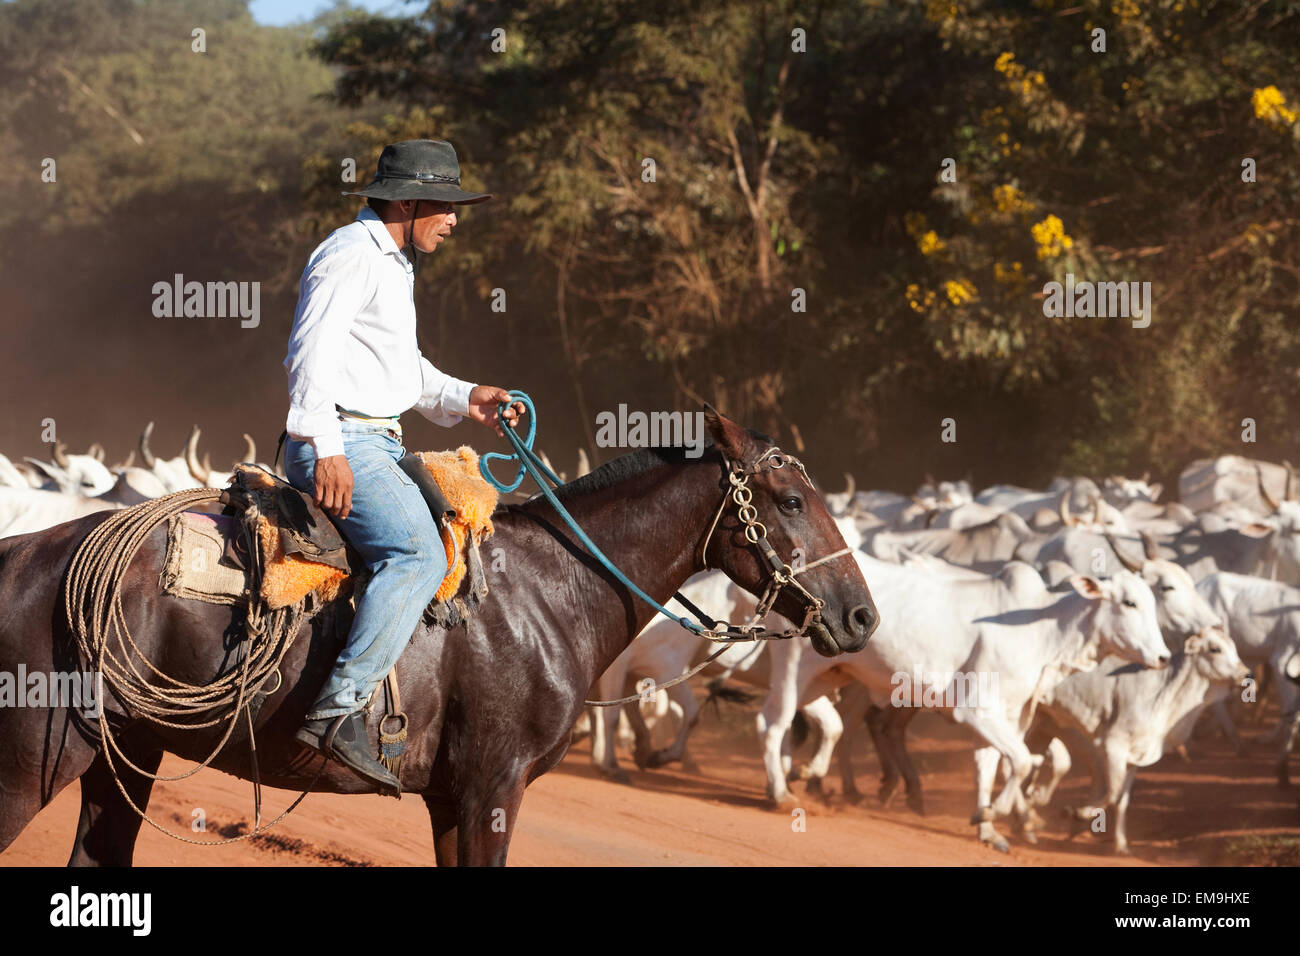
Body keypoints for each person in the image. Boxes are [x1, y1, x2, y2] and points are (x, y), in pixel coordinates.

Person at [281, 139, 520, 794]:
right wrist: (326, 447)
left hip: (374, 438)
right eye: (446, 206)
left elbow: (399, 370)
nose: (455, 219)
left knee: (453, 531)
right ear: (409, 202)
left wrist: (465, 395)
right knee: (420, 556)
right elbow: (310, 356)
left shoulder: (394, 264)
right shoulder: (350, 255)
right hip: (343, 440)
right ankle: (337, 711)